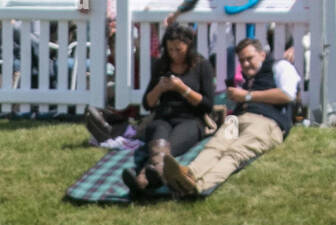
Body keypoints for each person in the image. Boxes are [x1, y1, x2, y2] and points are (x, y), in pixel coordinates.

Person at [162, 37, 298, 200]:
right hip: (237, 120)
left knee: (234, 154)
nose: (246, 64)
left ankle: (200, 186)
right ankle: (190, 174)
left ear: (262, 55)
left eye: (249, 58)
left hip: (266, 122)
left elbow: (287, 94)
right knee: (215, 146)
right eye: (242, 60)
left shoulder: (280, 66)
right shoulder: (250, 80)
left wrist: (247, 96)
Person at [123, 22, 215, 198]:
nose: (174, 54)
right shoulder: (161, 65)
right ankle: (153, 177)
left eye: (179, 50)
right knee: (159, 138)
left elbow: (207, 105)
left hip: (191, 119)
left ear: (189, 47)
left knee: (169, 145)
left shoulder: (202, 65)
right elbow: (147, 104)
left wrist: (183, 89)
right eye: (170, 49)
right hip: (163, 117)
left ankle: (142, 179)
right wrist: (159, 88)